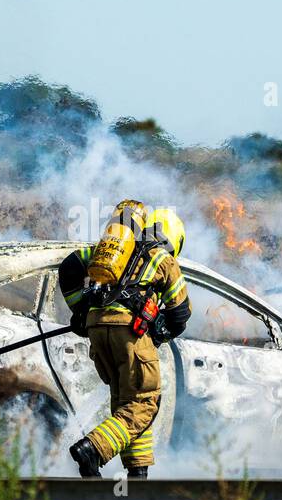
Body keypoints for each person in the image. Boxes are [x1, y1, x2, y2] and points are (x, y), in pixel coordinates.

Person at [58, 203, 191, 477]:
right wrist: (159, 330)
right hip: (128, 333)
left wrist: (80, 311)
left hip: (98, 330)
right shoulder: (162, 259)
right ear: (173, 240)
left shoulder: (113, 252)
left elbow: (69, 267)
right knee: (144, 403)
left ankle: (137, 473)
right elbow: (180, 313)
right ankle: (92, 449)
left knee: (126, 403)